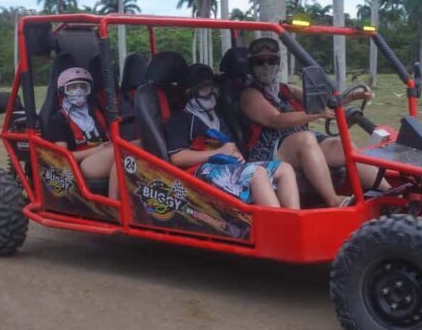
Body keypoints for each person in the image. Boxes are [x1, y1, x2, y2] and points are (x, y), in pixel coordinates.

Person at [239, 37, 385, 207]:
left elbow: (326, 101)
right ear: (251, 65)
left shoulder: (285, 89)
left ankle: (388, 193)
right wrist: (315, 115)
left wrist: (355, 95)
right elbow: (275, 120)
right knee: (305, 139)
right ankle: (333, 199)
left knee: (341, 145)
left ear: (278, 63)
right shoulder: (249, 94)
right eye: (260, 62)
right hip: (267, 152)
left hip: (299, 144)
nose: (266, 66)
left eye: (271, 61)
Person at [164, 63, 300, 209]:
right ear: (189, 92)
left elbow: (229, 146)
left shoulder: (218, 116)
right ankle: (278, 226)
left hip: (227, 166)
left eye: (212, 87)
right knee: (257, 174)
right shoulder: (180, 119)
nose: (211, 93)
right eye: (204, 89)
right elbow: (177, 158)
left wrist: (235, 153)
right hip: (199, 172)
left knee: (285, 169)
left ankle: (293, 220)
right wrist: (218, 153)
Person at [44, 67, 120, 198]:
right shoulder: (59, 119)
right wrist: (95, 151)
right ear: (63, 91)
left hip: (103, 156)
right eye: (73, 87)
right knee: (123, 151)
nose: (78, 91)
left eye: (82, 87)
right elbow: (61, 157)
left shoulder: (95, 112)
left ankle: (121, 203)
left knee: (135, 146)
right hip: (81, 165)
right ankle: (115, 206)